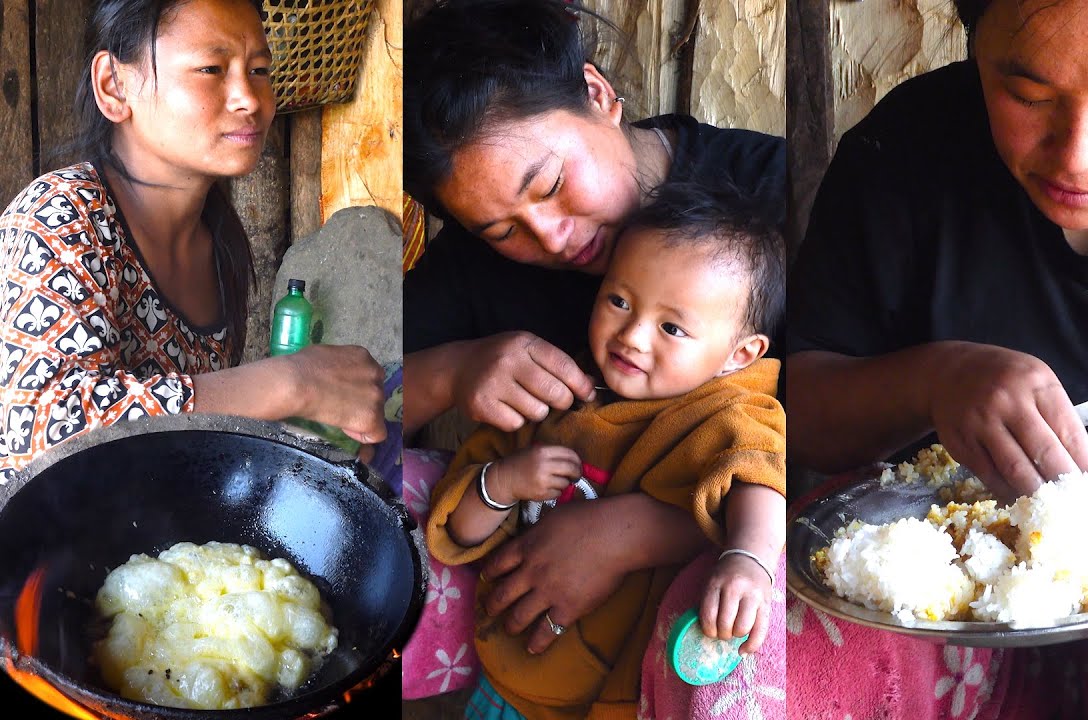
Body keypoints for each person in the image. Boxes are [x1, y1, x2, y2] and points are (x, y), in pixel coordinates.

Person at [787, 0, 1088, 716]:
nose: (1077, 153)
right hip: (936, 584)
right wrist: (933, 381)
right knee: (732, 654)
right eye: (1026, 93)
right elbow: (795, 408)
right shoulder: (907, 153)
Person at [401, 0, 784, 666]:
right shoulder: (474, 266)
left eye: (550, 183)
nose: (550, 236)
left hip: (727, 567)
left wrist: (636, 533)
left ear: (598, 94)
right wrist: (454, 371)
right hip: (531, 590)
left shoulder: (771, 199)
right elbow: (348, 407)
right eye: (501, 229)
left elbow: (835, 441)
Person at [427, 182, 786, 719]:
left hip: (624, 699)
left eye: (671, 327)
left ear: (740, 353)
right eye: (618, 301)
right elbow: (459, 531)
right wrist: (502, 484)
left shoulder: (728, 413)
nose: (633, 336)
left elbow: (760, 480)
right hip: (508, 684)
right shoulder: (556, 398)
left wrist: (748, 561)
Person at [0, 0, 386, 482]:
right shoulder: (64, 212)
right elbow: (41, 436)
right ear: (114, 86)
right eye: (211, 68)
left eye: (260, 69)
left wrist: (307, 430)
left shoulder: (217, 241)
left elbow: (195, 433)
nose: (249, 98)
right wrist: (292, 383)